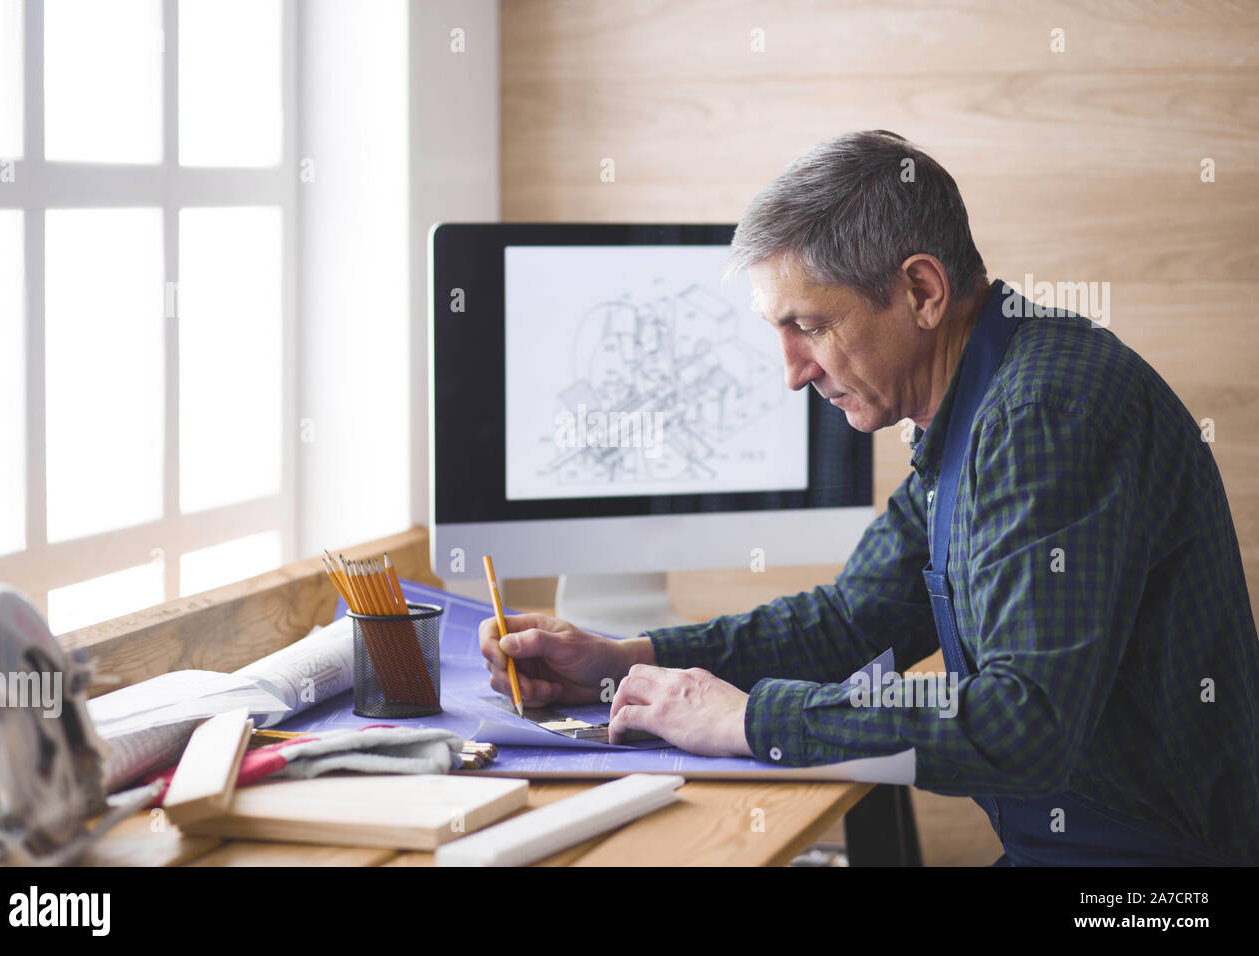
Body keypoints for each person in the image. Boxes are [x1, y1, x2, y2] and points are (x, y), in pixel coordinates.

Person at [478, 130, 1259, 865]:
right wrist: (628, 662)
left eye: (810, 327)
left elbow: (1028, 725)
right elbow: (856, 620)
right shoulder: (974, 405)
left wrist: (751, 719)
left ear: (920, 289)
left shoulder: (1042, 417)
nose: (791, 372)